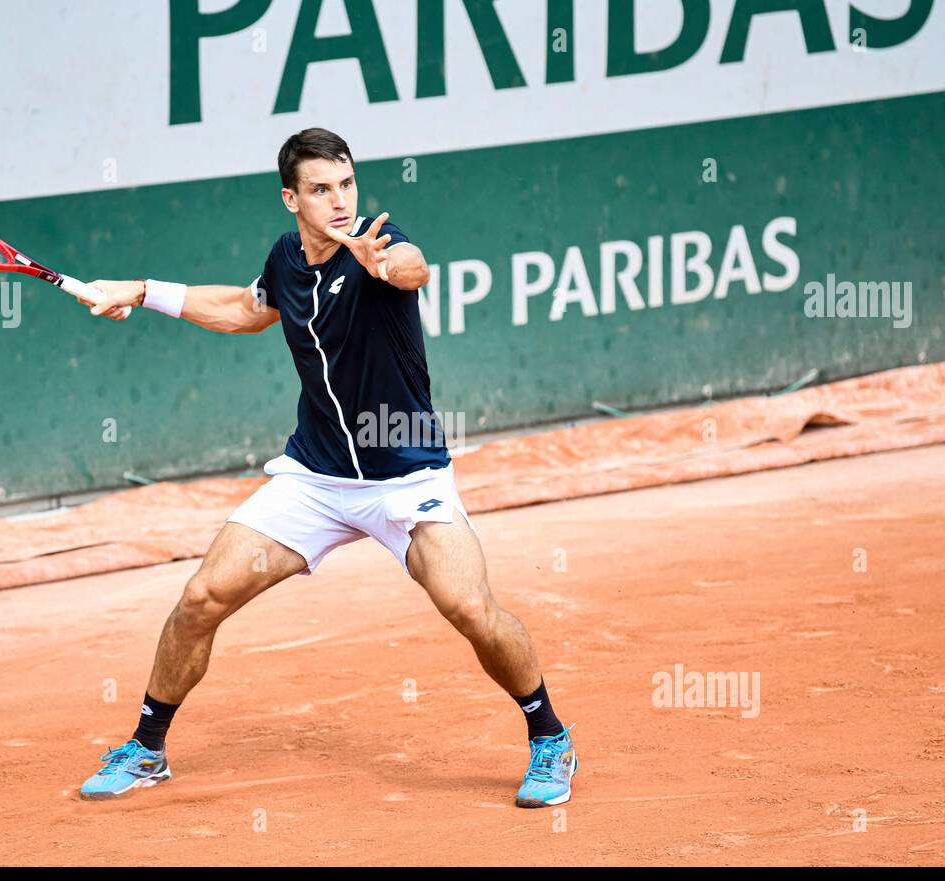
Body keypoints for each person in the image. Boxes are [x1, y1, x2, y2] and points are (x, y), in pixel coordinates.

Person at [74, 128, 576, 808]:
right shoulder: (286, 259)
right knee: (201, 599)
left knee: (469, 607)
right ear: (291, 198)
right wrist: (140, 289)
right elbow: (246, 311)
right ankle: (147, 748)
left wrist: (387, 263)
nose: (339, 202)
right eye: (320, 190)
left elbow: (413, 268)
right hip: (315, 480)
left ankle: (549, 737)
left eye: (346, 185)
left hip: (407, 481)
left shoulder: (379, 242)